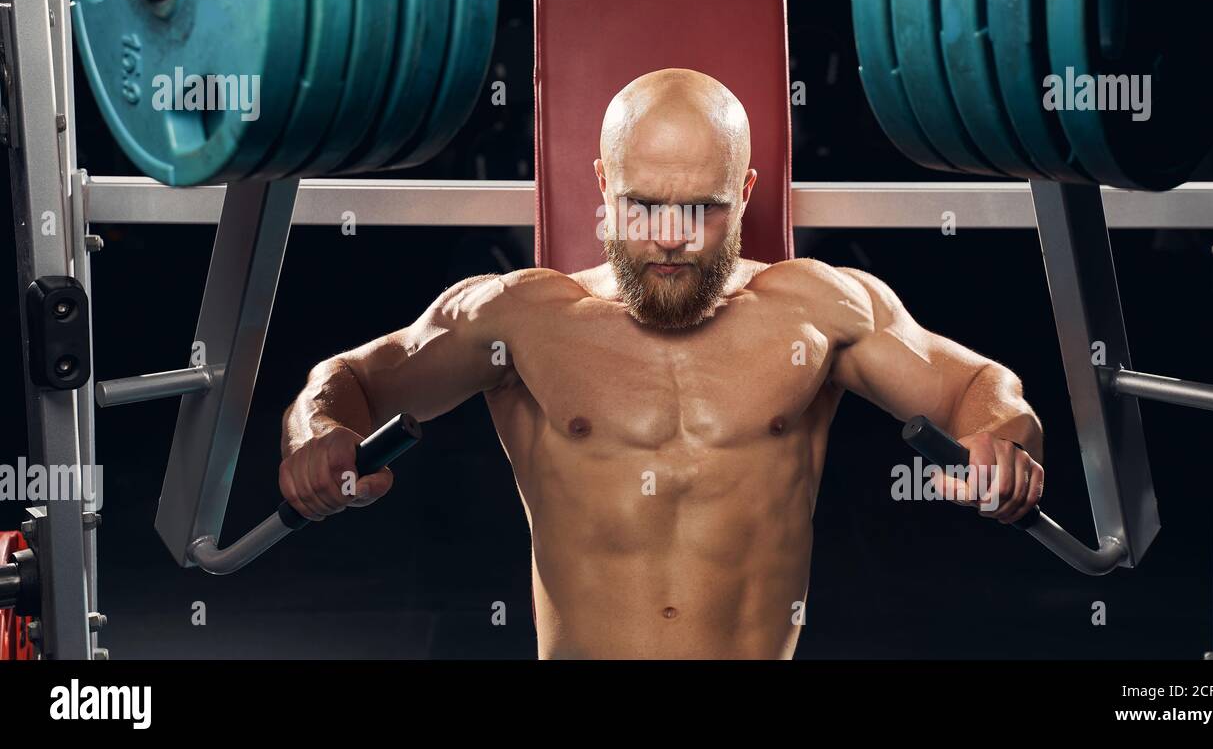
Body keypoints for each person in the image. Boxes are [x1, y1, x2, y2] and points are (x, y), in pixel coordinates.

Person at [279, 68, 1045, 659]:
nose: (672, 237)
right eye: (646, 205)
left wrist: (1003, 446)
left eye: (703, 208)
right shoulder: (521, 318)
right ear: (605, 187)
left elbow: (978, 386)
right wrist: (318, 437)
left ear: (744, 195)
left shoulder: (817, 310)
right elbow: (350, 379)